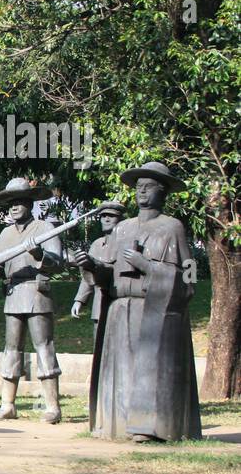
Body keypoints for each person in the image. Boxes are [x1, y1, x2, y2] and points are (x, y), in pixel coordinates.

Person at [77, 162, 202, 442]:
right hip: (121, 309)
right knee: (121, 370)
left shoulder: (173, 228)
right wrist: (93, 267)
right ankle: (117, 424)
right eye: (138, 187)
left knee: (149, 370)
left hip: (153, 311)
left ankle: (148, 427)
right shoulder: (122, 229)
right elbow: (109, 273)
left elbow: (190, 275)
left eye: (149, 186)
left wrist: (148, 266)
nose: (141, 191)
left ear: (163, 191)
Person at [0, 177, 64, 424]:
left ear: (30, 203)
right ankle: (7, 404)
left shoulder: (45, 229)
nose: (14, 207)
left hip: (37, 294)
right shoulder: (5, 234)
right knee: (11, 349)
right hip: (13, 296)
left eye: (20, 202)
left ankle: (52, 407)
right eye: (11, 203)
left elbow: (58, 263)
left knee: (44, 347)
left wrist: (39, 254)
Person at [70, 201, 126, 337]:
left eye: (111, 216)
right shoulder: (96, 245)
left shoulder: (126, 244)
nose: (106, 219)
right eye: (103, 216)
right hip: (99, 304)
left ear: (120, 219)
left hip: (120, 302)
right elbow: (87, 277)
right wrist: (79, 300)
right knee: (99, 348)